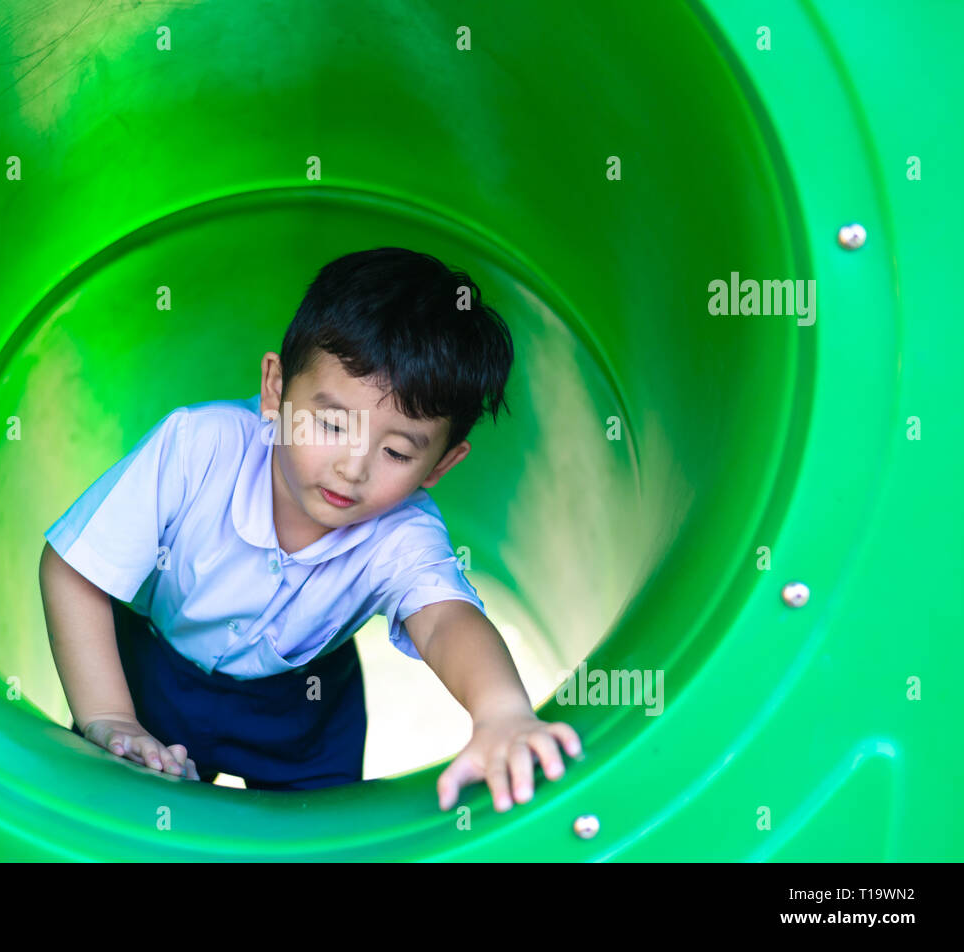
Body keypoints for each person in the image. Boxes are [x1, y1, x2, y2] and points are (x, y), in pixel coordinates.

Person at [39, 247, 582, 811]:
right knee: (127, 810)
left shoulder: (402, 533)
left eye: (397, 451)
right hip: (154, 670)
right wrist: (108, 716)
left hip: (302, 706)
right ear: (275, 389)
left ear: (441, 465)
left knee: (318, 834)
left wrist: (502, 713)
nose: (354, 467)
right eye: (330, 422)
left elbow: (447, 619)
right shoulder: (198, 447)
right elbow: (75, 566)